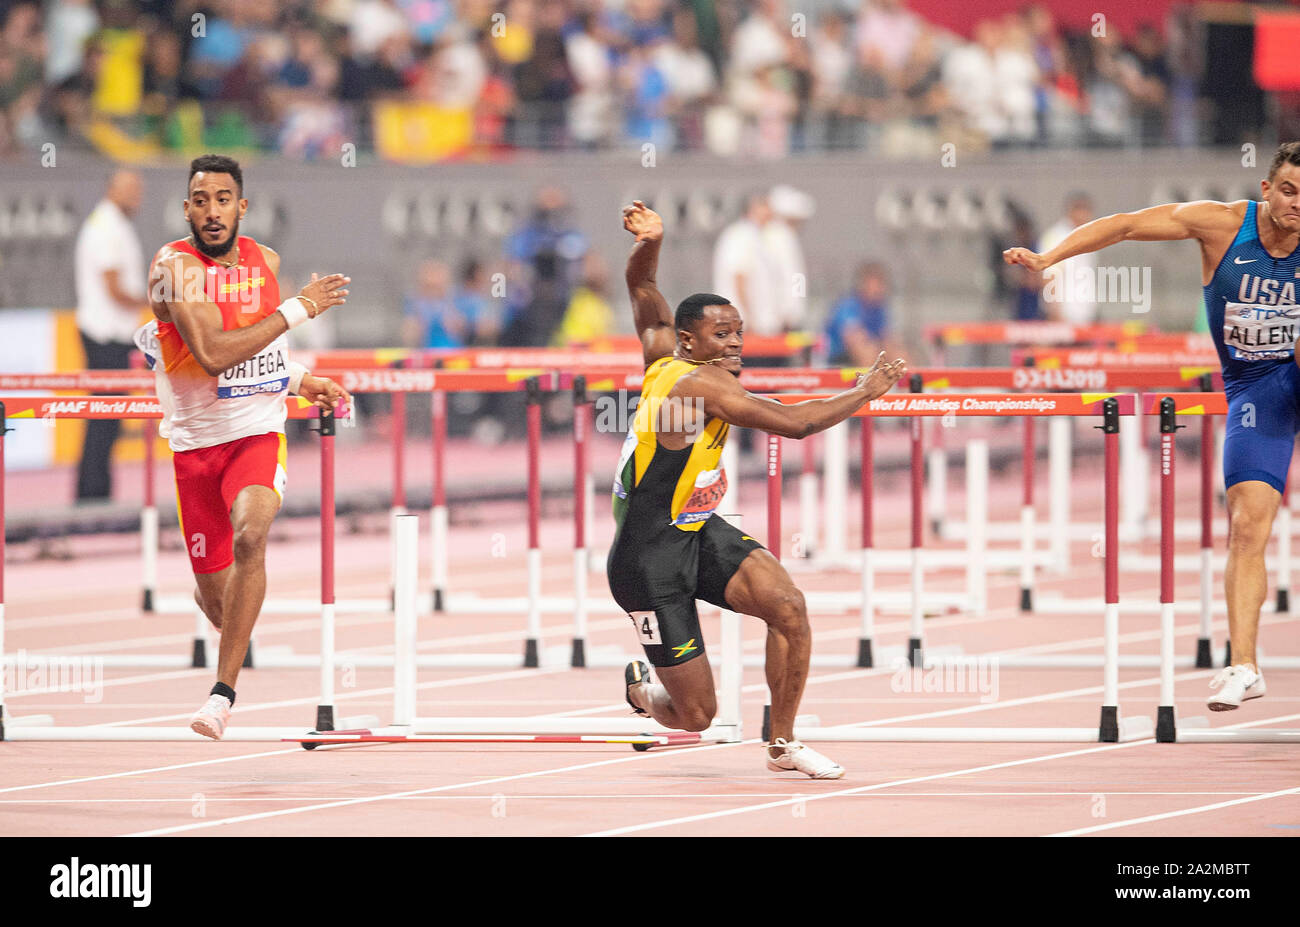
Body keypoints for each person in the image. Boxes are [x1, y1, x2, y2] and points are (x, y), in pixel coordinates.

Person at [611, 201, 906, 778]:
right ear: (690, 344)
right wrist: (866, 390)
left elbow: (643, 285)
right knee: (696, 714)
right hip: (647, 563)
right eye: (721, 335)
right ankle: (644, 697)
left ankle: (783, 743)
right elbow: (797, 423)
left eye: (739, 333)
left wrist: (652, 239)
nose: (735, 344)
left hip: (695, 533)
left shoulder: (659, 352)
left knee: (788, 608)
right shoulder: (698, 387)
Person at [1003, 141, 1300, 712]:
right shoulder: (1220, 226)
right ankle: (1244, 666)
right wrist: (1050, 259)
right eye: (1287, 190)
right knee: (1245, 524)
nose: (1296, 204)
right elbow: (1125, 227)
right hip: (1256, 390)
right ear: (1266, 189)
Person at [142, 154, 351, 739]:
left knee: (251, 534)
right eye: (201, 201)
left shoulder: (266, 260)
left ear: (242, 206)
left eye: (223, 199)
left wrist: (298, 378)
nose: (212, 212)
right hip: (194, 447)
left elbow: (259, 349)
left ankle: (221, 696)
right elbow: (211, 352)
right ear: (186, 209)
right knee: (221, 605)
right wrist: (298, 309)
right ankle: (225, 604)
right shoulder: (171, 268)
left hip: (256, 432)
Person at [73, 169, 148, 502]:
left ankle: (96, 493)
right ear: (112, 189)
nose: (137, 198)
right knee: (103, 415)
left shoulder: (115, 224)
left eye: (138, 191)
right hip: (105, 334)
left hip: (114, 331)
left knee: (108, 416)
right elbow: (115, 289)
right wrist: (159, 301)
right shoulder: (105, 227)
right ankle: (91, 495)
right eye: (131, 191)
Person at [823, 261, 905, 367]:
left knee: (899, 355)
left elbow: (887, 337)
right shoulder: (848, 305)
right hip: (840, 356)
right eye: (875, 284)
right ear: (863, 284)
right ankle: (868, 382)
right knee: (868, 352)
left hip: (869, 349)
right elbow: (853, 338)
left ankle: (908, 382)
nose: (879, 288)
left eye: (881, 284)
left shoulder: (880, 309)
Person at [1037, 191, 1097, 324]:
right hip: (1064, 315)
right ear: (1072, 211)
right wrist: (1055, 311)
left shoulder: (1090, 236)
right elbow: (1049, 275)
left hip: (1084, 315)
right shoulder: (1057, 236)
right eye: (1081, 210)